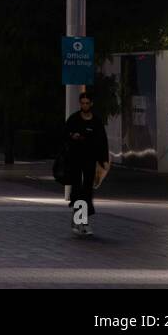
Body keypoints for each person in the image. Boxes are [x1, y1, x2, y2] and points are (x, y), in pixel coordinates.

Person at [62, 91, 110, 235]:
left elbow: (102, 142)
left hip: (90, 160)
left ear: (91, 104)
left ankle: (82, 221)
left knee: (87, 191)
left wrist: (104, 160)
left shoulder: (96, 122)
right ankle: (79, 221)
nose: (84, 105)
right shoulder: (74, 119)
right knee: (78, 190)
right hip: (76, 159)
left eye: (87, 103)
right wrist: (72, 136)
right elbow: (64, 135)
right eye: (82, 103)